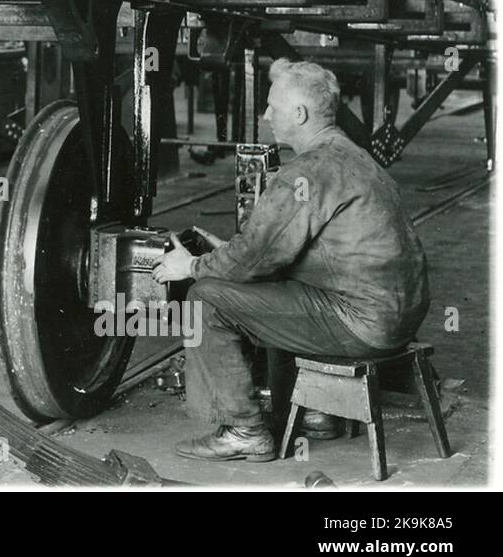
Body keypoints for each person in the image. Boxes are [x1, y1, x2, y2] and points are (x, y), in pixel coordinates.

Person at [153, 58, 430, 462]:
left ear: (299, 114)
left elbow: (253, 258)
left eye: (272, 106)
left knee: (205, 299)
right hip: (398, 314)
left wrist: (192, 266)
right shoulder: (355, 157)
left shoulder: (308, 171)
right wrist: (228, 252)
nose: (266, 115)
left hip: (363, 324)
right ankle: (318, 413)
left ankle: (243, 430)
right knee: (268, 289)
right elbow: (276, 251)